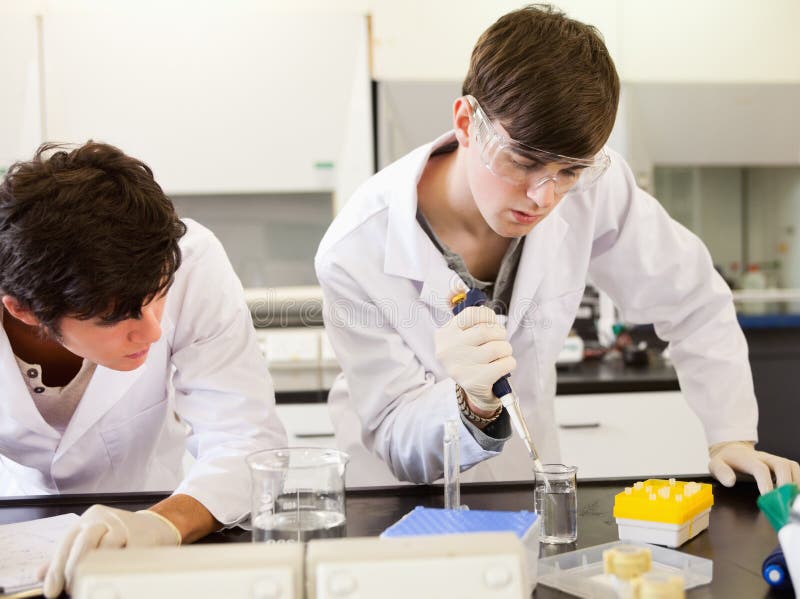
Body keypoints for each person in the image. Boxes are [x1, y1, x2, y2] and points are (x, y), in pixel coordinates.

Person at [315, 5, 800, 491]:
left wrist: (730, 436)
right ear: (466, 123)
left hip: (525, 486)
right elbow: (396, 432)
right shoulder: (356, 248)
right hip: (399, 502)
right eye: (523, 161)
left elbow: (693, 298)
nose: (544, 197)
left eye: (568, 171)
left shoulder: (593, 188)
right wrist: (472, 403)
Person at [0, 142, 287, 597]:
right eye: (116, 317)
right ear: (24, 310)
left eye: (159, 296)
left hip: (151, 524)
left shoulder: (190, 259)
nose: (153, 332)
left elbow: (245, 440)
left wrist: (163, 525)